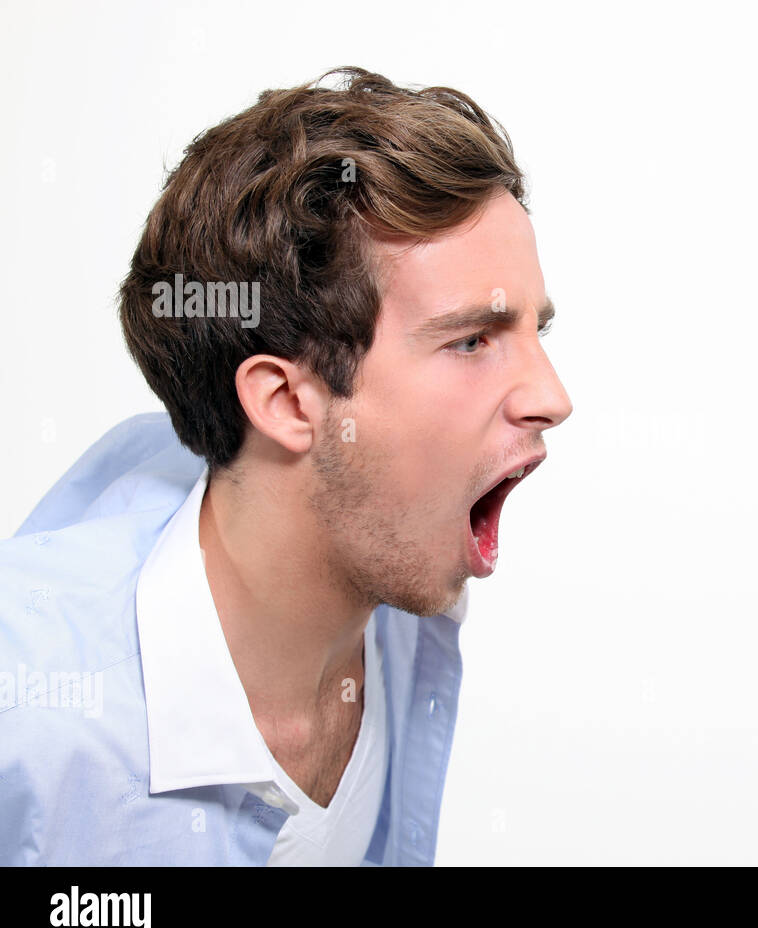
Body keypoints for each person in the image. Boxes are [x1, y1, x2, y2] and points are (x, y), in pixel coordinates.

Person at [0, 67, 573, 865]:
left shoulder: (396, 591)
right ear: (286, 402)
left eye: (536, 333)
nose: (553, 396)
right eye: (472, 340)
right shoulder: (32, 730)